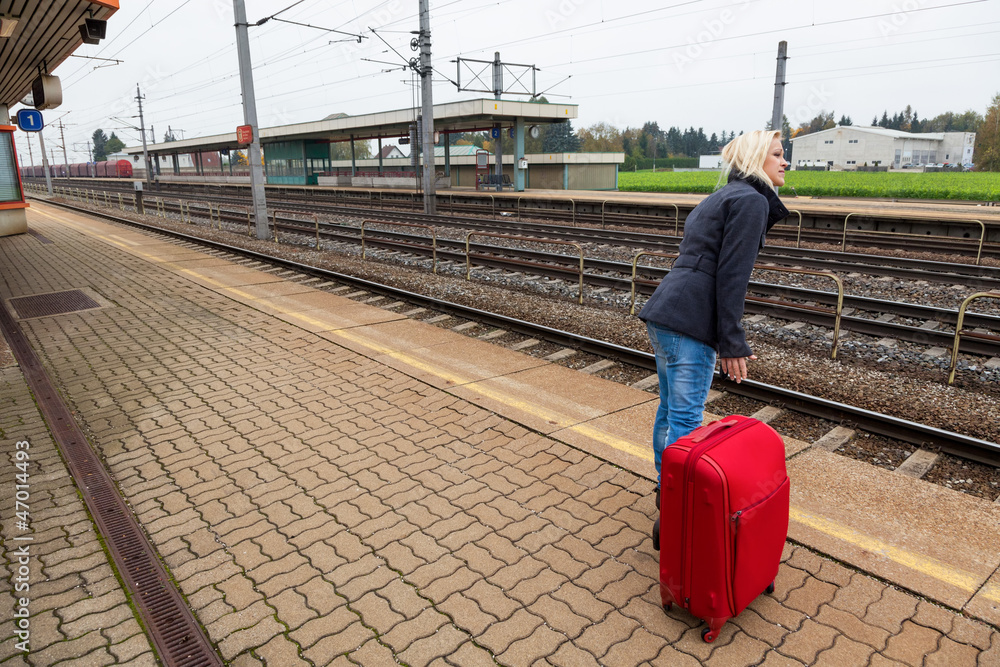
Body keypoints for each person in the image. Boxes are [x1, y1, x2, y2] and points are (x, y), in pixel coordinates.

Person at [638, 130, 789, 528]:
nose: (784, 161)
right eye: (777, 154)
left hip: (666, 311)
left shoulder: (720, 196)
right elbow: (732, 276)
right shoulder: (751, 201)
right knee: (687, 421)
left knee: (670, 411)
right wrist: (731, 342)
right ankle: (676, 509)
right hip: (690, 319)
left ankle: (666, 490)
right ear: (756, 158)